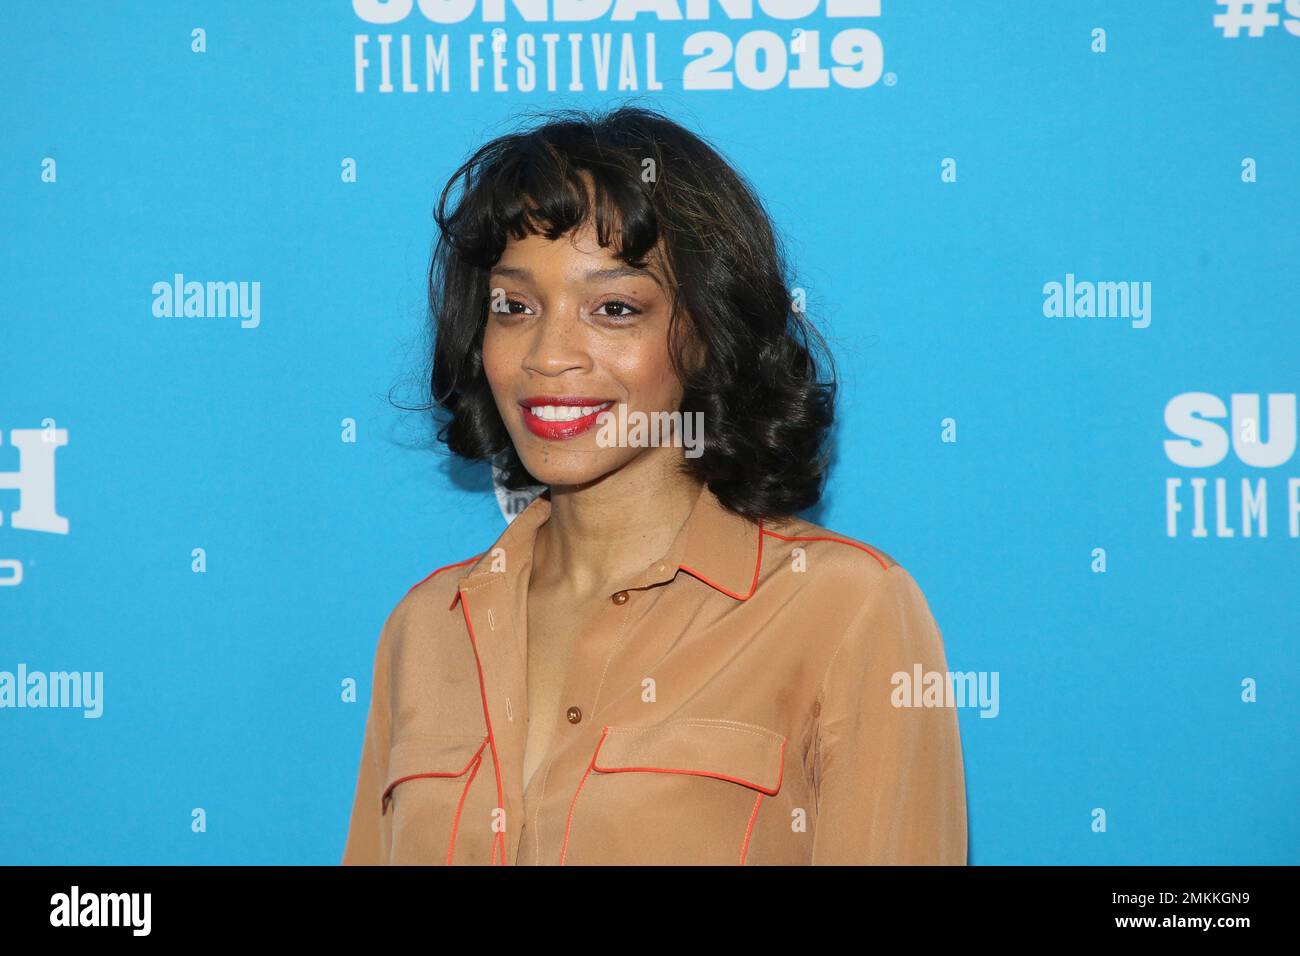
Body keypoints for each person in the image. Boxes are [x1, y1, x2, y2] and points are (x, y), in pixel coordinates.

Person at [342, 104, 967, 865]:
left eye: (613, 308)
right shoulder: (427, 626)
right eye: (515, 307)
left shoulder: (843, 608)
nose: (549, 355)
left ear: (708, 332)